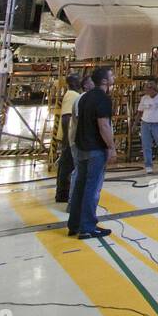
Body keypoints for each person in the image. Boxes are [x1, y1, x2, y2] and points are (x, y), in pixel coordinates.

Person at [68, 66, 116, 239]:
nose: (114, 77)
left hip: (81, 147)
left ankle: (74, 224)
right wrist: (111, 147)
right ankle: (87, 226)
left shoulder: (84, 98)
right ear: (104, 81)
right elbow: (103, 125)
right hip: (95, 148)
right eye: (112, 75)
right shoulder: (103, 99)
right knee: (92, 189)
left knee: (80, 186)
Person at [54, 73, 82, 203]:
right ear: (75, 83)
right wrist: (68, 138)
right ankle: (63, 194)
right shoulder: (73, 95)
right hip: (70, 137)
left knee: (65, 164)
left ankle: (62, 192)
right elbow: (66, 118)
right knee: (67, 165)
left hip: (69, 136)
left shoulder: (71, 94)